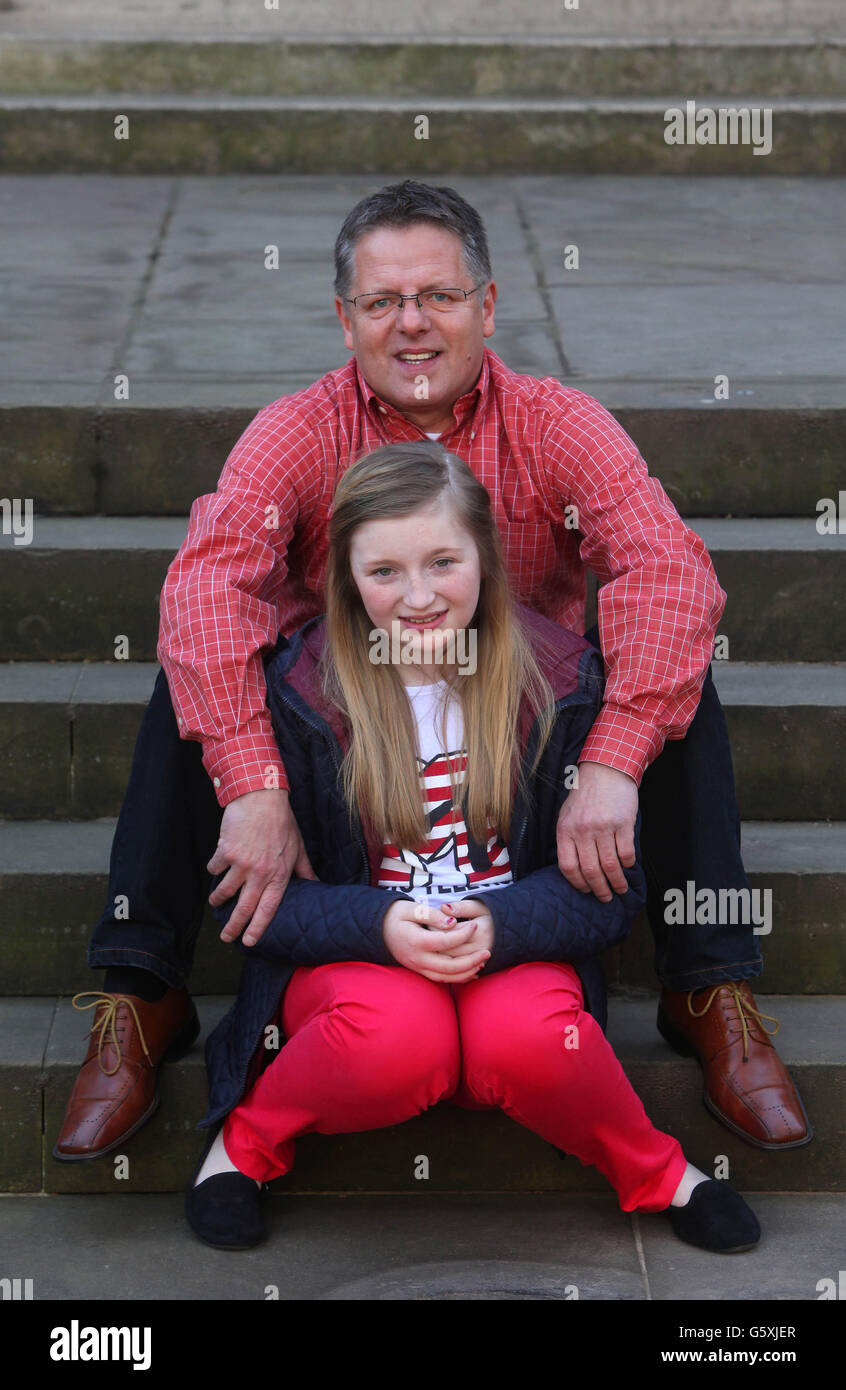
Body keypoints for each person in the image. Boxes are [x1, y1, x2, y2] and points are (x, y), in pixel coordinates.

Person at [54, 178, 810, 1165]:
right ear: (346, 317)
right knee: (193, 658)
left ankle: (708, 981)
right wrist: (255, 784)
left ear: (487, 306)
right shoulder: (300, 429)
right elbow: (207, 586)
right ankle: (142, 989)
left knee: (672, 655)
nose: (412, 324)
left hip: (525, 737)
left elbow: (668, 568)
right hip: (347, 738)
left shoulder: (556, 423)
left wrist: (615, 762)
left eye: (439, 297)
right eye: (382, 302)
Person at [184, 443, 760, 1254]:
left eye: (443, 562)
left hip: (515, 952)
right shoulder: (301, 694)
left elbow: (611, 891)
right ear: (344, 577)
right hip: (359, 964)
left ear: (484, 560)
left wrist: (500, 926)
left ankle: (658, 1171)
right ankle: (242, 1150)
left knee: (530, 1036)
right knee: (399, 1036)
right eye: (383, 572)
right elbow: (263, 907)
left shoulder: (560, 684)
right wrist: (380, 928)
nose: (418, 598)